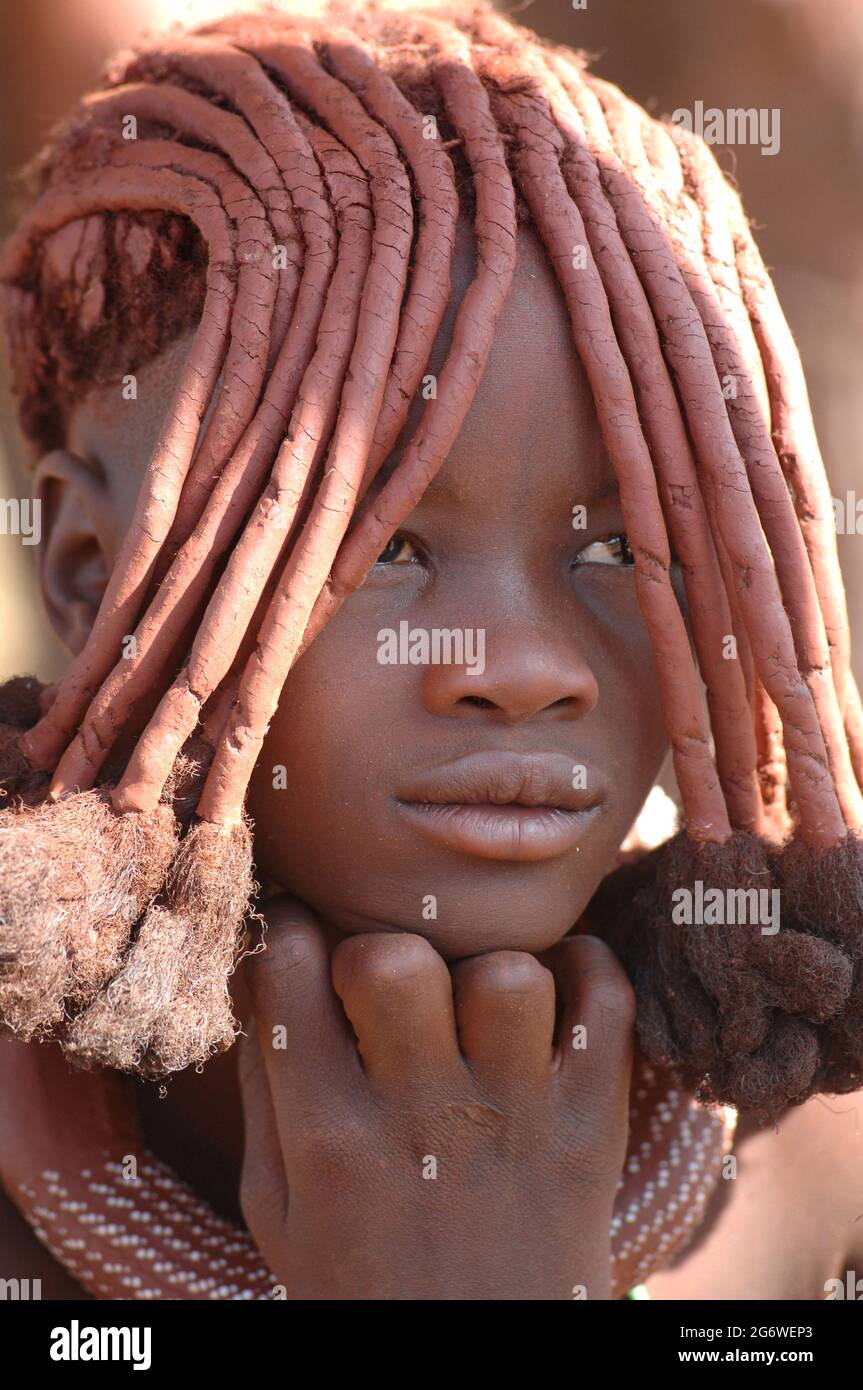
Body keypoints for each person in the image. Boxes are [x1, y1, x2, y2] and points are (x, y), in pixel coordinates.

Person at [1, 0, 862, 1300]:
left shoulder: (784, 1205)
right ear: (83, 569)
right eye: (381, 546)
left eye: (620, 552)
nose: (521, 666)